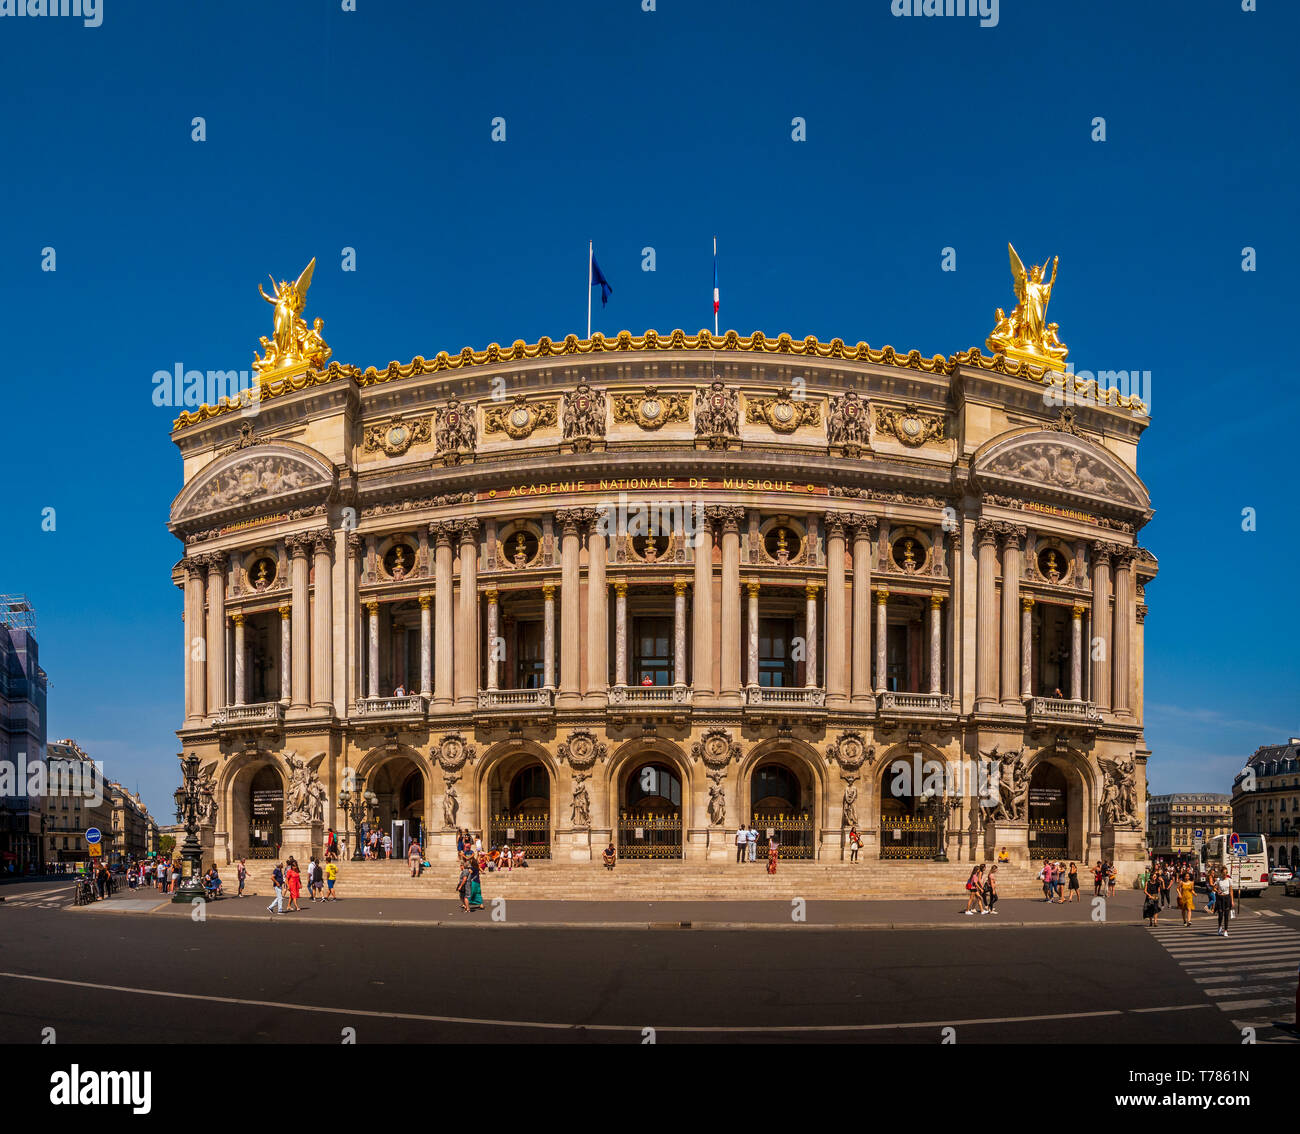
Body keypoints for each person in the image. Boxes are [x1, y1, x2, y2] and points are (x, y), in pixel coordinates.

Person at [1215, 869, 1234, 937]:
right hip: (1220, 898)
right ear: (1221, 873)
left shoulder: (1229, 880)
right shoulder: (1218, 880)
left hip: (1227, 898)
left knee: (1226, 915)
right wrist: (1217, 891)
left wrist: (1232, 901)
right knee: (1220, 915)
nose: (1224, 874)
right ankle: (1220, 927)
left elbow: (1231, 891)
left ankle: (1225, 930)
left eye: (1226, 873)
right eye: (1223, 873)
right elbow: (1214, 888)